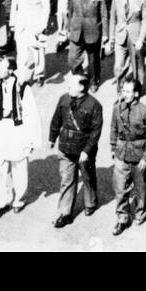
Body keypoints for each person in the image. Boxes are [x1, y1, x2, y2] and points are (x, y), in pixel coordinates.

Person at [0, 51, 42, 220]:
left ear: (11, 70)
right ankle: (1, 202)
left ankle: (18, 199)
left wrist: (32, 139)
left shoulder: (22, 87)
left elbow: (31, 114)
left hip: (17, 129)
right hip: (0, 128)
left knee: (18, 165)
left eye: (3, 68)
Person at [49, 69, 103, 228]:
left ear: (82, 87)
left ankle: (90, 203)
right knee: (67, 180)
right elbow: (56, 119)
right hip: (66, 147)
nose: (68, 86)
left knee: (87, 177)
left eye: (72, 84)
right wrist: (52, 138)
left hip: (84, 150)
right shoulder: (64, 99)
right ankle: (64, 213)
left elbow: (95, 131)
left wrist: (87, 151)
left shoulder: (94, 105)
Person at [110, 77, 146, 234]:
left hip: (139, 155)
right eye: (123, 90)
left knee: (141, 187)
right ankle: (122, 218)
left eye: (128, 91)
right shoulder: (117, 108)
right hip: (121, 153)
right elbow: (113, 129)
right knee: (120, 187)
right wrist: (113, 147)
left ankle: (140, 212)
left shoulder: (145, 112)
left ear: (136, 94)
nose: (125, 94)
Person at [106, 0, 146, 91]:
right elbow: (112, 18)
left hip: (135, 36)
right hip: (120, 34)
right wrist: (111, 37)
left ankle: (137, 89)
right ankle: (121, 90)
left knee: (137, 64)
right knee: (118, 65)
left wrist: (141, 39)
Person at [10, 0, 50, 84]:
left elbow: (46, 6)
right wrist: (12, 22)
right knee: (21, 51)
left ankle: (39, 74)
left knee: (37, 50)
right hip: (21, 21)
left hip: (36, 20)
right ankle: (21, 76)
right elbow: (14, 4)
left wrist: (43, 24)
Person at [67, 0, 108, 87]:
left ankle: (93, 82)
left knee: (93, 60)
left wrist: (105, 34)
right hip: (77, 30)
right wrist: (69, 29)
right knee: (72, 59)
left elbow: (103, 13)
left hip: (93, 31)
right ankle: (80, 79)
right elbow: (70, 12)